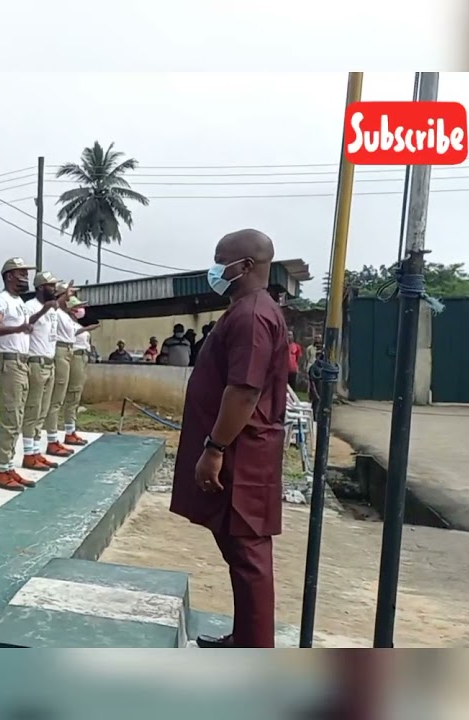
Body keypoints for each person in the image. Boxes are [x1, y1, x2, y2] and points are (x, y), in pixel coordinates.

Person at [171, 228, 289, 649]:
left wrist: (214, 448)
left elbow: (244, 391)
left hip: (242, 451)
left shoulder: (253, 316)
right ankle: (246, 637)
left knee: (248, 553)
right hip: (240, 447)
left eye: (223, 261)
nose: (216, 269)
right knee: (239, 553)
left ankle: (254, 650)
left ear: (247, 266)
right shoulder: (246, 310)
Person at [0, 257, 52, 483]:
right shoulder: (1, 300)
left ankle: (8, 466)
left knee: (19, 415)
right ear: (8, 276)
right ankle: (2, 469)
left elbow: (26, 323)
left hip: (21, 363)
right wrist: (18, 327)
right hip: (10, 363)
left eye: (26, 273)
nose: (25, 277)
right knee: (11, 417)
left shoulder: (18, 302)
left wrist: (41, 313)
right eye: (21, 273)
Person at [20, 272, 64, 469]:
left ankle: (36, 450)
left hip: (50, 361)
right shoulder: (31, 306)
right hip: (36, 362)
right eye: (50, 285)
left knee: (43, 409)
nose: (54, 289)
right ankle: (28, 453)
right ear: (39, 287)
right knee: (33, 408)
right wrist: (43, 311)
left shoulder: (53, 309)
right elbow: (26, 324)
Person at [43, 280, 80, 458]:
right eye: (69, 295)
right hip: (59, 350)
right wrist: (64, 293)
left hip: (67, 351)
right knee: (56, 399)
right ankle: (52, 439)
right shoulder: (55, 312)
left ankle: (56, 437)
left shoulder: (65, 315)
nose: (72, 298)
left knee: (62, 396)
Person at [61, 297, 98, 447]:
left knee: (76, 394)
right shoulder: (67, 322)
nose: (81, 310)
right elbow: (70, 335)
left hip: (82, 356)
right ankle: (69, 430)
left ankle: (71, 428)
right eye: (78, 307)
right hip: (74, 356)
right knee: (73, 392)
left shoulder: (75, 323)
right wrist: (87, 329)